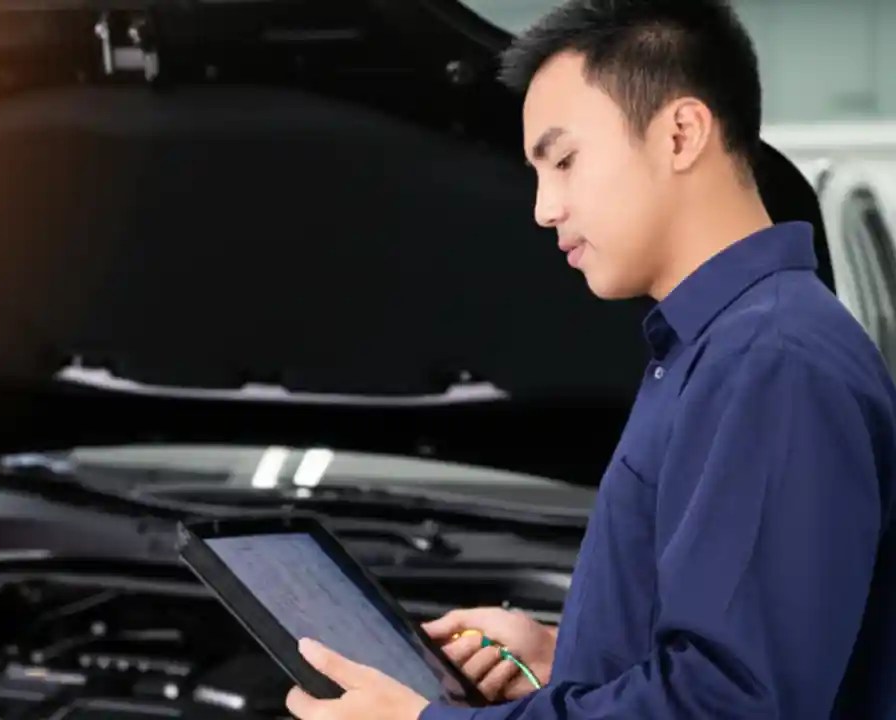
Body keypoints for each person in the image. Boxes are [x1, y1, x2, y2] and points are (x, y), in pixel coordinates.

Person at [283, 0, 896, 718]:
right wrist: (571, 656)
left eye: (565, 160)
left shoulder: (771, 364)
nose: (544, 208)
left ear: (681, 134)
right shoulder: (717, 348)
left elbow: (725, 704)